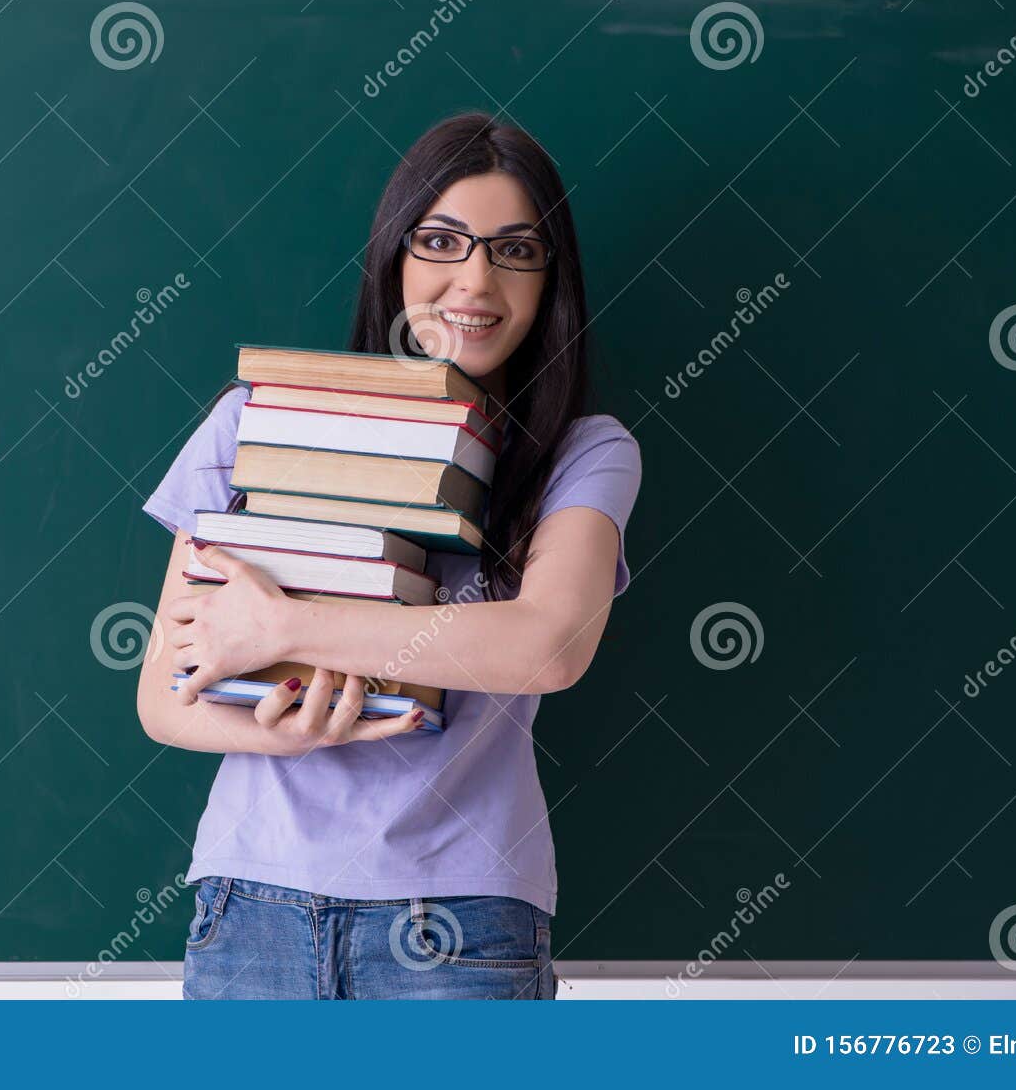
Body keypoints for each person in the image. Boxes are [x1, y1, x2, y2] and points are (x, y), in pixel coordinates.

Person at [135, 111, 641, 999]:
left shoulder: (583, 452)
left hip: (457, 921)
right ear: (395, 256)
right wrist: (282, 731)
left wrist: (285, 626)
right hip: (248, 908)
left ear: (550, 276)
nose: (474, 279)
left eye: (515, 249)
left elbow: (548, 645)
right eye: (441, 241)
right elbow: (162, 699)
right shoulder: (258, 422)